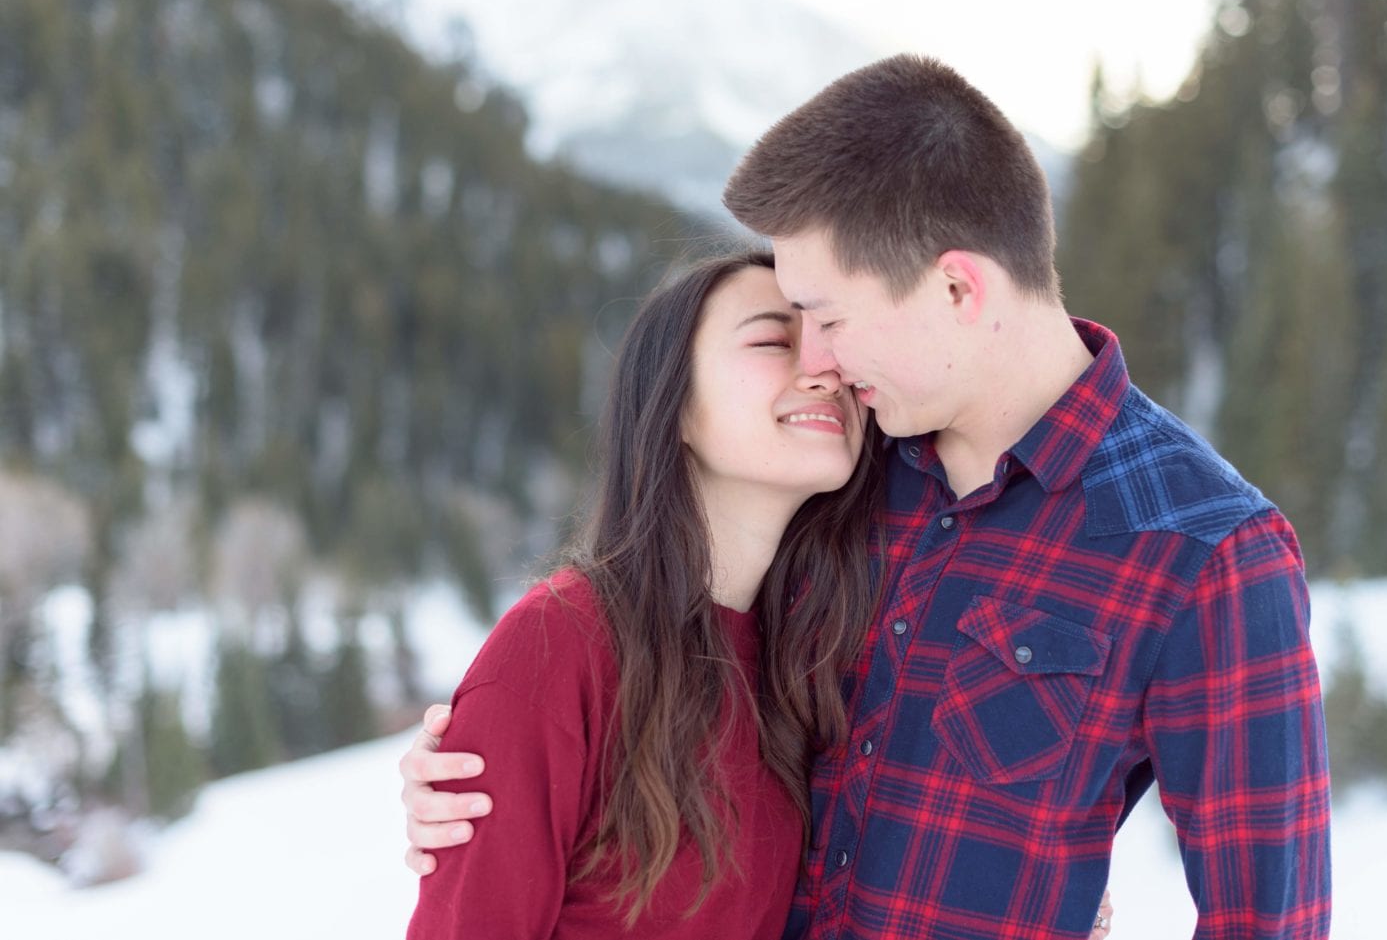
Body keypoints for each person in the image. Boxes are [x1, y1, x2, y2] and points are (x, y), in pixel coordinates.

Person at [403, 55, 1326, 938]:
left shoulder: (1204, 552)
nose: (819, 363)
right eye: (792, 326)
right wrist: (482, 775)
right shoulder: (841, 479)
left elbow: (1268, 920)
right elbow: (657, 678)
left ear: (957, 286)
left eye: (831, 318)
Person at [404, 251, 887, 938]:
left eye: (833, 343)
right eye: (774, 339)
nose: (823, 368)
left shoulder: (812, 663)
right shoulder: (558, 645)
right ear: (676, 406)